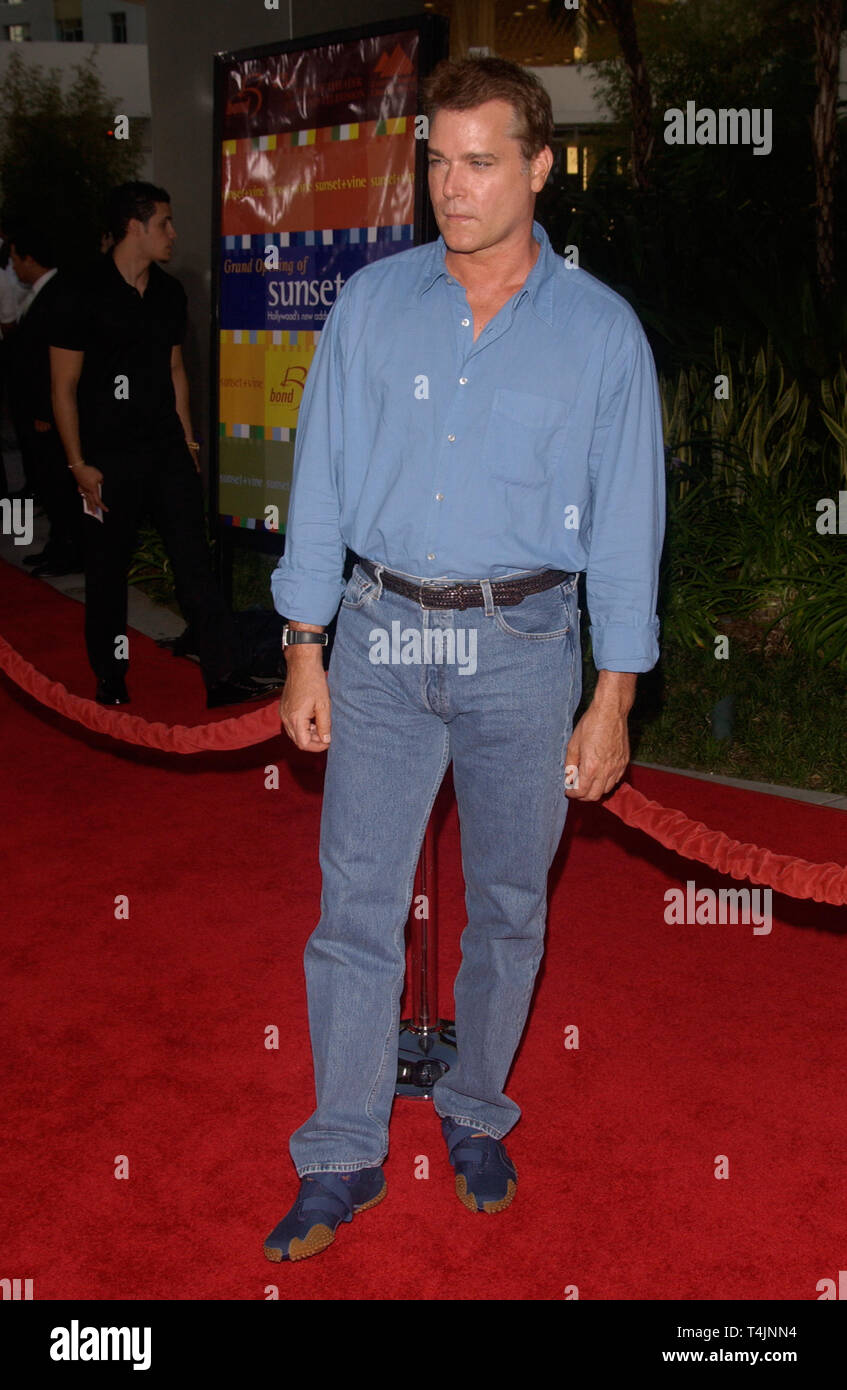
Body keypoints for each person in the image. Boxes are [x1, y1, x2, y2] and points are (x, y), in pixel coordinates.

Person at [264, 57, 666, 1263]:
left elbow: (630, 523)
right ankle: (340, 1150)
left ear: (541, 168)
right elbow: (321, 483)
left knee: (506, 908)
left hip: (526, 649)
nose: (453, 185)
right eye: (437, 159)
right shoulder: (370, 307)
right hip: (380, 635)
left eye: (481, 161)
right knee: (355, 912)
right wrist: (301, 642)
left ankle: (476, 1110)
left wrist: (614, 697)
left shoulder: (600, 333)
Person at [49, 181, 271, 708]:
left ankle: (220, 676)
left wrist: (189, 443)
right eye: (164, 223)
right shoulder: (79, 291)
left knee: (195, 561)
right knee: (106, 571)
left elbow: (176, 371)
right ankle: (110, 675)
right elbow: (63, 388)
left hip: (167, 452)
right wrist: (77, 463)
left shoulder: (171, 292)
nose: (174, 234)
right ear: (135, 226)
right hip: (106, 461)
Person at [6, 223, 84, 576]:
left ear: (29, 258)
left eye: (14, 259)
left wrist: (44, 410)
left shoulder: (57, 294)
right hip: (29, 407)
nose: (13, 267)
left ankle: (66, 549)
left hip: (44, 410)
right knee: (42, 478)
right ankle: (54, 544)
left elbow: (48, 362)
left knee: (55, 480)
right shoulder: (40, 293)